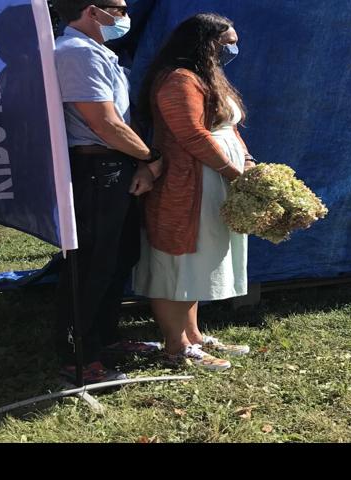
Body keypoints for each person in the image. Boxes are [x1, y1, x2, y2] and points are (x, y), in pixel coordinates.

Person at [131, 12, 254, 371]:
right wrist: (231, 172)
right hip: (190, 183)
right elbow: (192, 136)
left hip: (216, 180)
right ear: (204, 43)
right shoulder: (178, 80)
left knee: (197, 259)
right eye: (226, 43)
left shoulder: (207, 77)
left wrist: (247, 162)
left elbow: (229, 128)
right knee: (179, 262)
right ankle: (176, 346)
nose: (231, 49)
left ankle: (194, 336)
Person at [52, 0, 165, 386]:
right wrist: (151, 158)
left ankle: (105, 337)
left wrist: (140, 162)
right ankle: (78, 357)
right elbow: (105, 123)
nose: (124, 14)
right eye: (118, 7)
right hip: (97, 167)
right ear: (91, 10)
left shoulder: (96, 51)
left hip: (116, 164)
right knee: (93, 263)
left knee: (119, 256)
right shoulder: (76, 52)